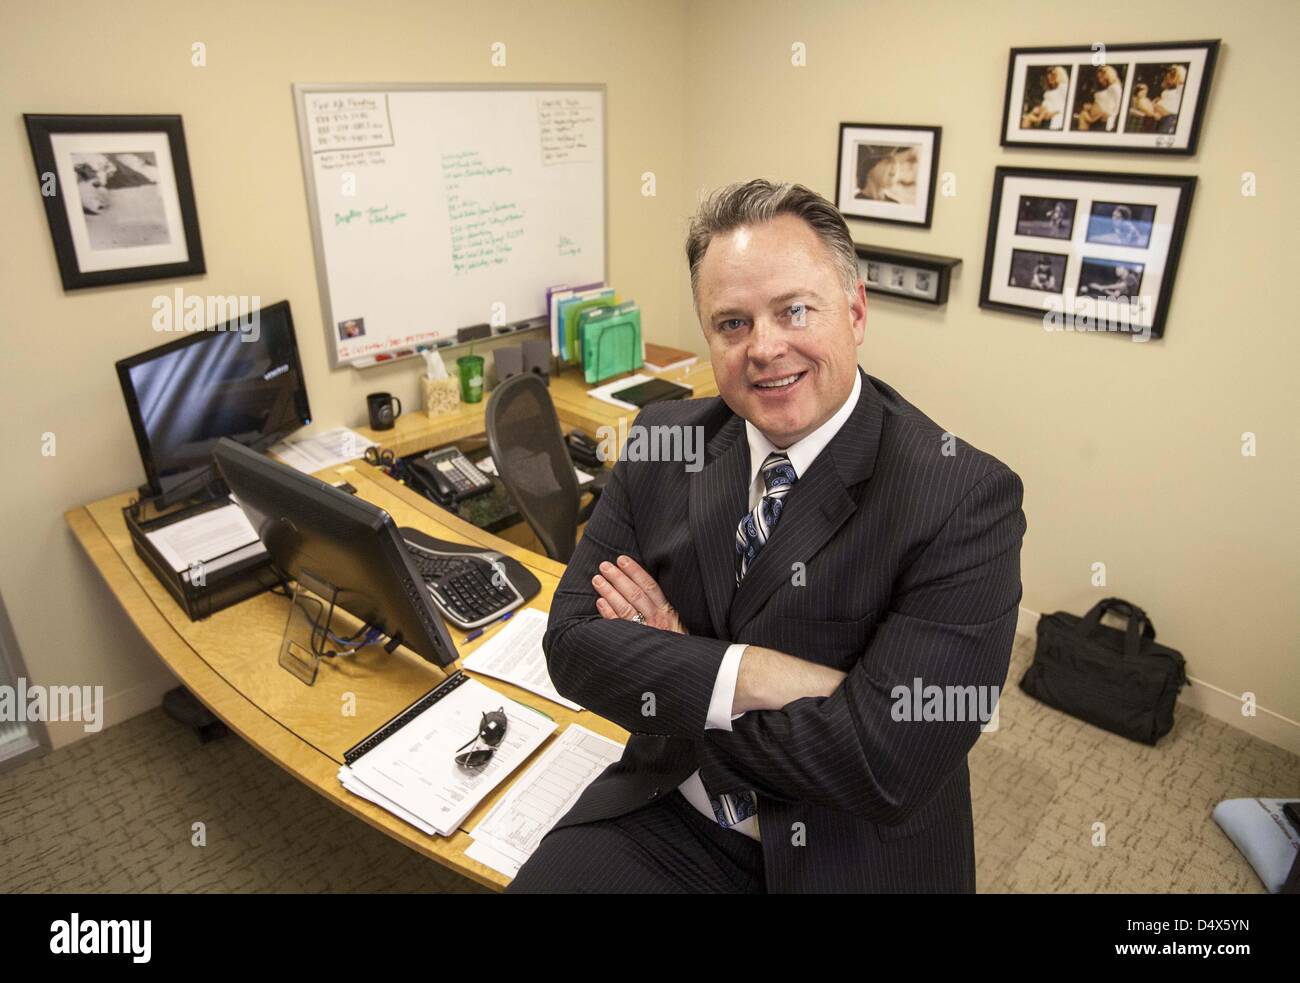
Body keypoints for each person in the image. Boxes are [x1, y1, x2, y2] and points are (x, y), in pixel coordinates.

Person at [506, 179, 1026, 893]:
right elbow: (571, 645)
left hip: (849, 856)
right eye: (731, 323)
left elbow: (886, 761)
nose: (764, 347)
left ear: (856, 310)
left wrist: (678, 666)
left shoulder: (963, 499)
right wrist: (752, 675)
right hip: (669, 815)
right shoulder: (665, 441)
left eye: (795, 310)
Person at [1074, 65, 1123, 131]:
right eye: (1099, 78)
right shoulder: (1110, 88)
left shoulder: (1115, 88)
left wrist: (1109, 117)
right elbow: (1105, 102)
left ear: (1107, 75)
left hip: (1102, 122)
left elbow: (1117, 107)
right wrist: (1091, 107)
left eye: (1101, 77)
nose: (1100, 80)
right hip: (1095, 120)